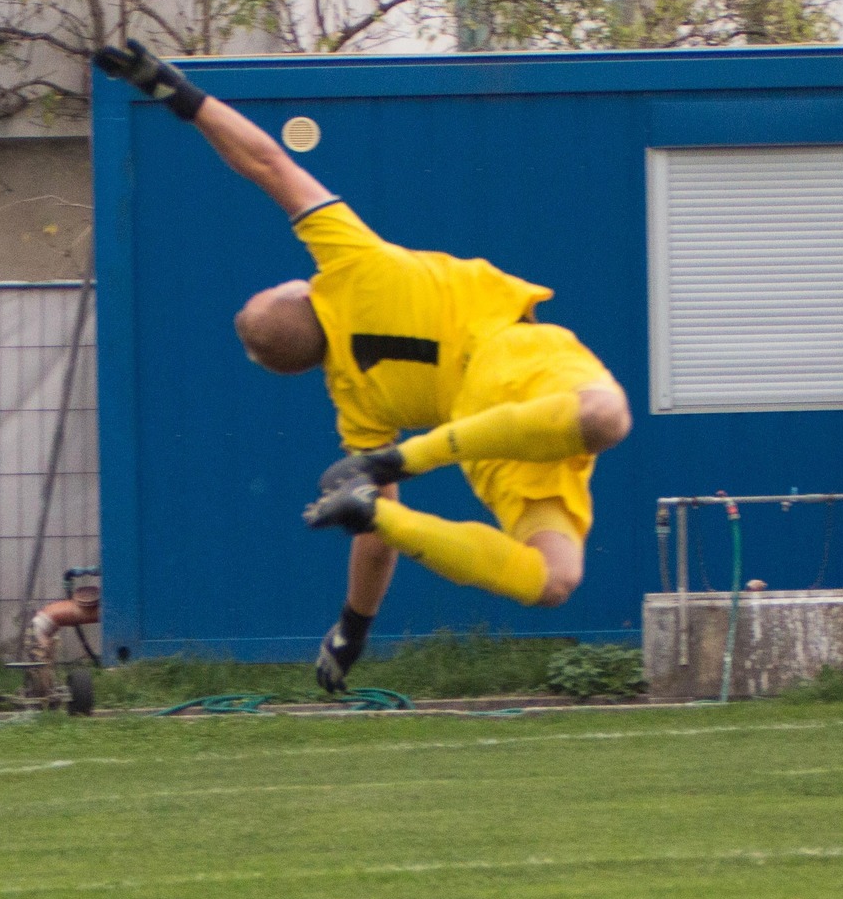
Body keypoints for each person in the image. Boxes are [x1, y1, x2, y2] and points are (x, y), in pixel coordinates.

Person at [93, 39, 632, 693]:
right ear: (301, 292)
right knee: (605, 416)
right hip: (514, 362)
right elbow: (266, 161)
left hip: (489, 433)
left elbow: (373, 544)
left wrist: (351, 627)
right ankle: (404, 461)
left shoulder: (354, 400)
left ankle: (389, 479)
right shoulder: (348, 265)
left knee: (553, 580)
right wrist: (173, 91)